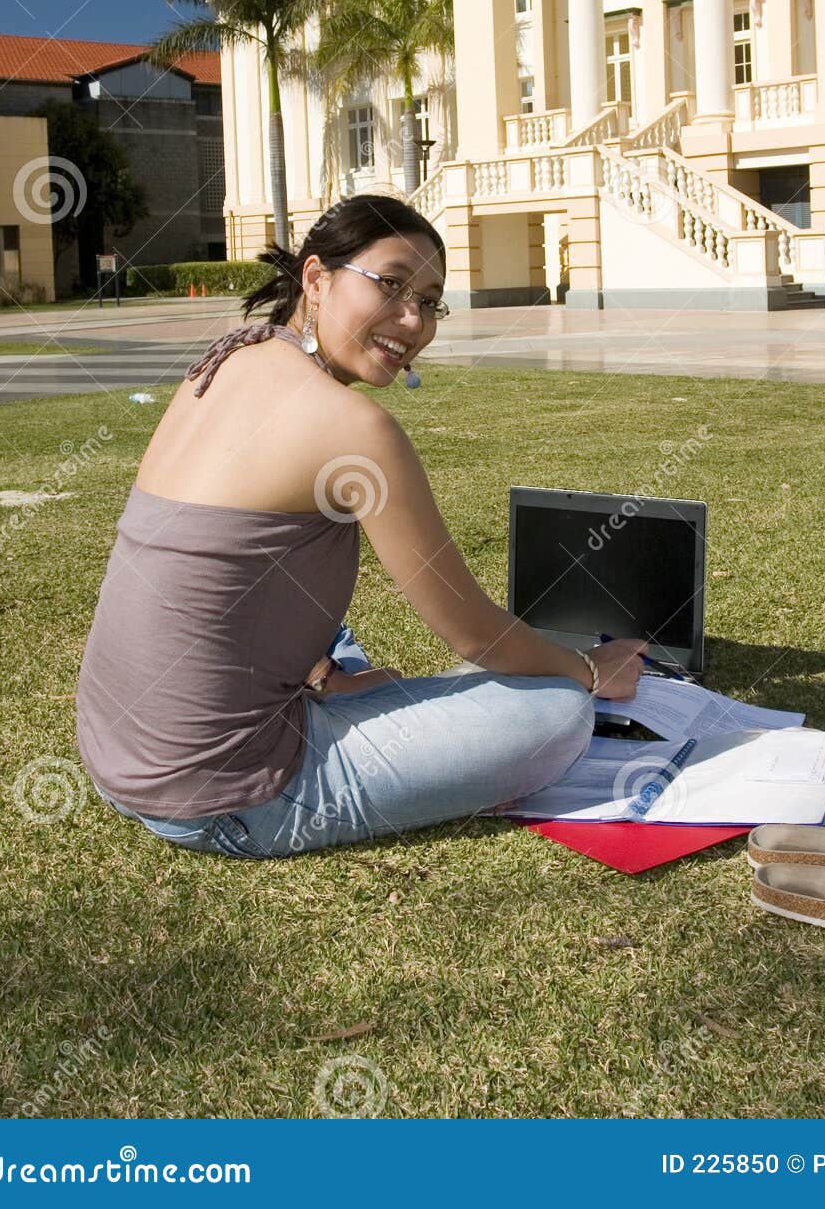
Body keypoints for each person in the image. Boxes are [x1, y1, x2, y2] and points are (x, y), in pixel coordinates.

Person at [76, 193, 646, 859]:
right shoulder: (354, 430)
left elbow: (225, 573)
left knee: (331, 634)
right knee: (555, 716)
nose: (412, 320)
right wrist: (584, 669)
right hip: (224, 794)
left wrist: (324, 673)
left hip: (119, 756)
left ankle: (331, 680)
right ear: (316, 279)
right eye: (391, 285)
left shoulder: (229, 358)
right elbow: (468, 630)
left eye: (430, 301)